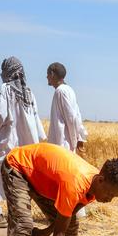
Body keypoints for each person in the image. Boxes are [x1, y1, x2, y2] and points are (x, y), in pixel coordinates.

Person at [0, 57, 45, 228]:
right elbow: (37, 123)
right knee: (20, 180)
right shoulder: (29, 93)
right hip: (25, 148)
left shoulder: (4, 90)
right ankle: (18, 215)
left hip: (4, 144)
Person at [47, 62, 89, 217]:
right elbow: (75, 115)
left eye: (47, 74)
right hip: (65, 141)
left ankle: (68, 212)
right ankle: (73, 212)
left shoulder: (61, 91)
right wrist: (79, 136)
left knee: (64, 178)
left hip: (63, 142)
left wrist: (74, 139)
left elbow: (71, 118)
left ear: (52, 74)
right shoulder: (68, 90)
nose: (46, 77)